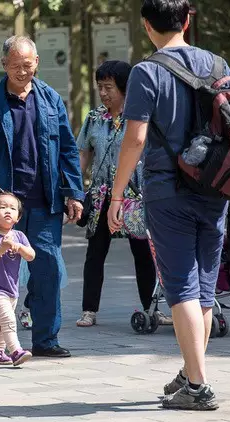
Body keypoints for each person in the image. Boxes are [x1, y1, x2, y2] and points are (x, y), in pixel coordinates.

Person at [108, 0, 230, 410]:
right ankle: (191, 370)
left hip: (168, 191)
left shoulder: (146, 72)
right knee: (204, 291)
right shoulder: (216, 63)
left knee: (181, 287)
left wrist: (117, 194)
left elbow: (136, 138)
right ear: (187, 20)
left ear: (147, 26)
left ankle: (197, 387)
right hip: (215, 189)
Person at [0, 36, 85, 358]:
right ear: (4, 65)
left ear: (37, 63)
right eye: (15, 66)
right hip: (3, 203)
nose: (22, 71)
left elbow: (68, 150)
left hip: (44, 202)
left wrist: (74, 192)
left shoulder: (51, 100)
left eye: (28, 65)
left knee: (49, 270)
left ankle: (45, 340)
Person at [75, 60, 164, 328]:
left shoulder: (141, 118)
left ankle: (152, 308)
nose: (103, 93)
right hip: (102, 196)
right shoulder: (93, 119)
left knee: (143, 254)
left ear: (125, 88)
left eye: (109, 87)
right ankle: (89, 310)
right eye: (100, 87)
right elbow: (83, 154)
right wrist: (75, 190)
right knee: (95, 253)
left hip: (135, 197)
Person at [0, 186, 35, 366]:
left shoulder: (19, 236)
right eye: (2, 207)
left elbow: (31, 255)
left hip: (12, 289)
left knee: (2, 322)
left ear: (18, 217)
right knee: (8, 319)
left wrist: (19, 247)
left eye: (12, 208)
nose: (8, 210)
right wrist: (2, 248)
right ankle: (16, 351)